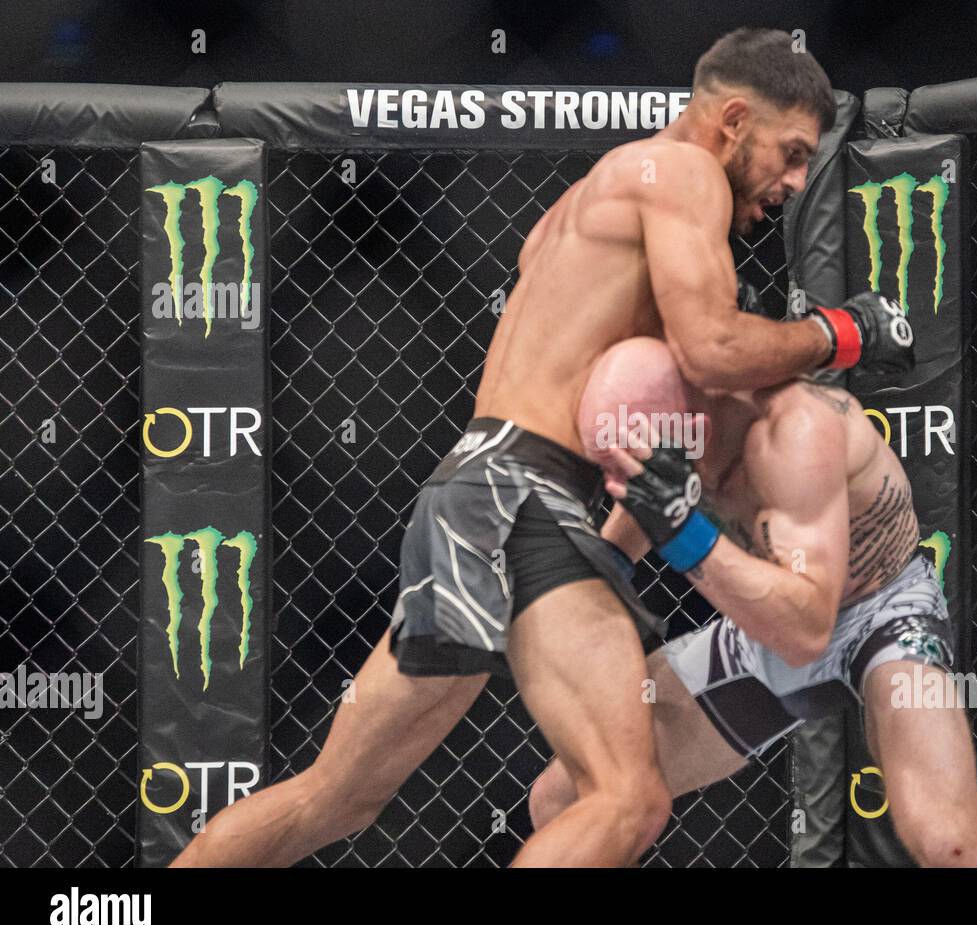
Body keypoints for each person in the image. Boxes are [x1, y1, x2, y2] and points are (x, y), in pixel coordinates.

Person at [171, 27, 914, 868]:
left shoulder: (584, 204)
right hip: (525, 493)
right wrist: (840, 331)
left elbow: (654, 417)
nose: (793, 182)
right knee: (627, 797)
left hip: (470, 487)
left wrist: (618, 551)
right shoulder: (680, 174)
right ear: (734, 118)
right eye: (790, 153)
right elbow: (711, 347)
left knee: (333, 795)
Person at [529, 337, 977, 867]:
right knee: (568, 802)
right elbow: (647, 500)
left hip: (880, 614)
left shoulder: (797, 433)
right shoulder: (673, 424)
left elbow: (806, 627)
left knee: (950, 843)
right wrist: (591, 578)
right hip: (764, 620)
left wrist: (682, 530)